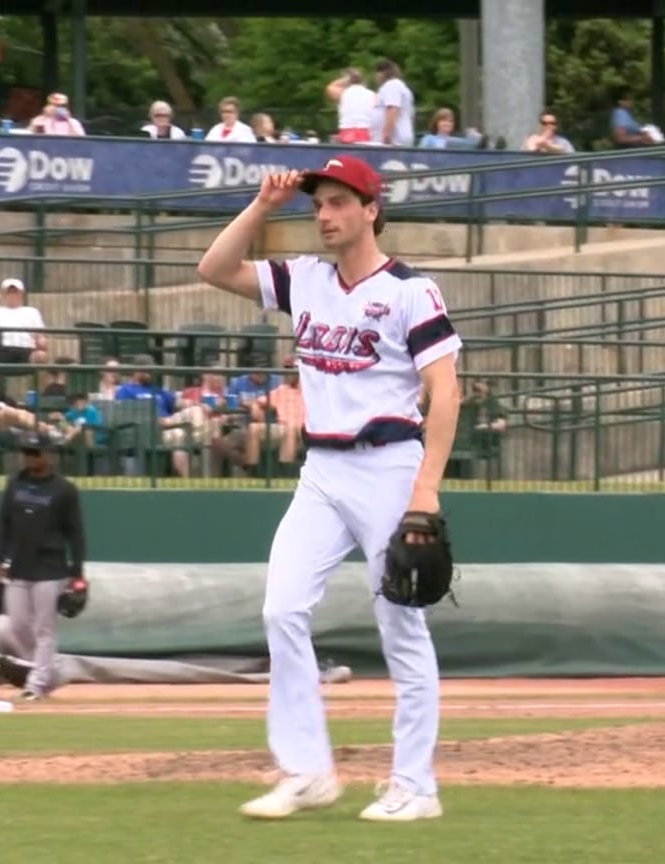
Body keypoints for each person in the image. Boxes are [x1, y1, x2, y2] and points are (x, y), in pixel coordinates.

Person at [195, 156, 462, 822]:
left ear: (371, 210)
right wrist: (263, 206)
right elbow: (215, 269)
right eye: (318, 203)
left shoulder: (410, 291)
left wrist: (425, 490)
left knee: (400, 622)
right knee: (281, 609)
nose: (324, 214)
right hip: (322, 469)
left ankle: (415, 786)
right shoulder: (305, 280)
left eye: (339, 201)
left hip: (389, 464)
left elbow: (446, 391)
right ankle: (307, 770)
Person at [0, 432, 86, 702]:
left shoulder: (64, 489)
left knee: (44, 629)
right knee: (15, 625)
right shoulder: (14, 484)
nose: (29, 458)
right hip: (18, 566)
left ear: (48, 455)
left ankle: (37, 684)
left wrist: (77, 573)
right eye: (26, 452)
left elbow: (75, 534)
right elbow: (2, 524)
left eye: (34, 452)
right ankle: (51, 672)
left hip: (49, 568)